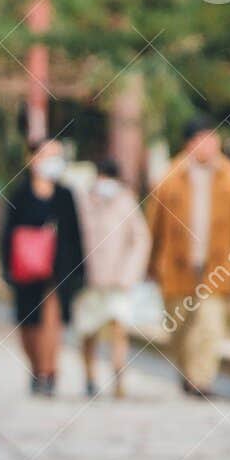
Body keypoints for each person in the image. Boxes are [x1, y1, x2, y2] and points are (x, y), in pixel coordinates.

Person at [148, 116, 230, 398]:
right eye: (201, 139)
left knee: (209, 326)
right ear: (189, 144)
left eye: (212, 138)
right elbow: (154, 226)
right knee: (180, 328)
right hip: (176, 265)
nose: (207, 145)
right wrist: (150, 265)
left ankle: (201, 380)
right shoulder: (170, 177)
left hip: (218, 265)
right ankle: (188, 373)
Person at [0, 139, 84, 396]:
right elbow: (7, 234)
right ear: (33, 159)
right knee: (28, 326)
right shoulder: (20, 195)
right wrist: (7, 269)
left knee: (52, 321)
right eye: (48, 155)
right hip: (26, 271)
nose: (54, 161)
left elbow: (76, 235)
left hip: (58, 271)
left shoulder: (65, 195)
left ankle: (49, 373)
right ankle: (37, 368)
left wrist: (80, 271)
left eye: (58, 156)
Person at [73, 159, 151, 399]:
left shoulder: (126, 202)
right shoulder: (83, 201)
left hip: (118, 280)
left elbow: (140, 239)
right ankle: (89, 377)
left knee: (119, 328)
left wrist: (129, 274)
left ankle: (119, 375)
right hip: (89, 280)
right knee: (88, 331)